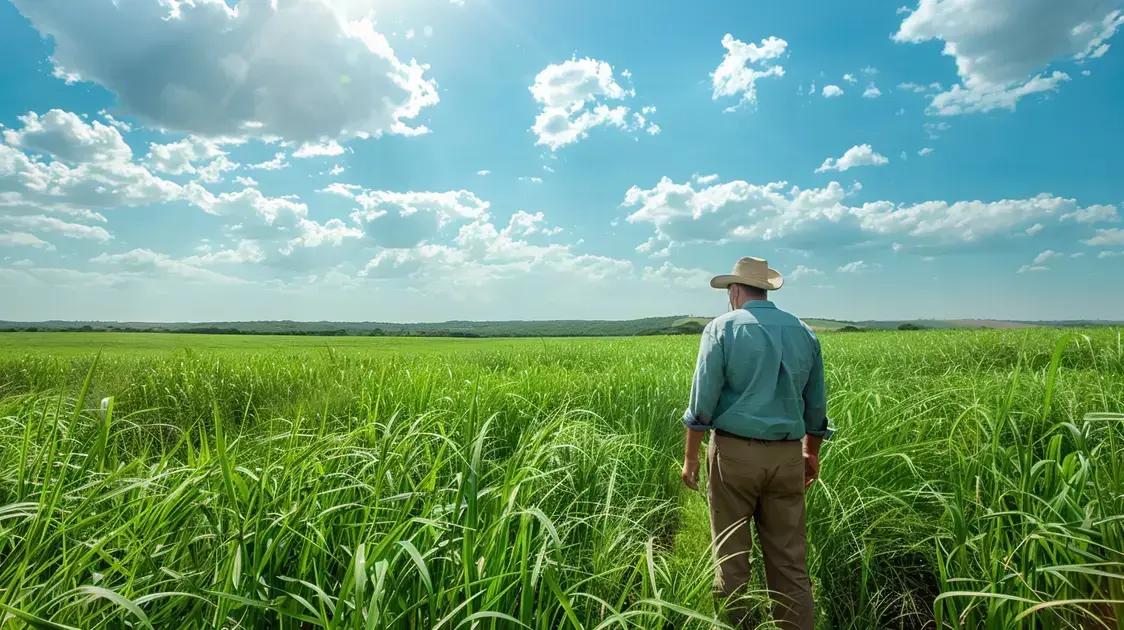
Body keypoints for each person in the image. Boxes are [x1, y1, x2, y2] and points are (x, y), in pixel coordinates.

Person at [679, 256, 830, 630]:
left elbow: (702, 405)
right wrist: (811, 452)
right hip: (788, 455)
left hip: (734, 455)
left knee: (731, 559)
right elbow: (817, 406)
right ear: (765, 289)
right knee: (790, 562)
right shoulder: (804, 331)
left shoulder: (721, 329)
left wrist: (691, 459)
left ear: (734, 291)